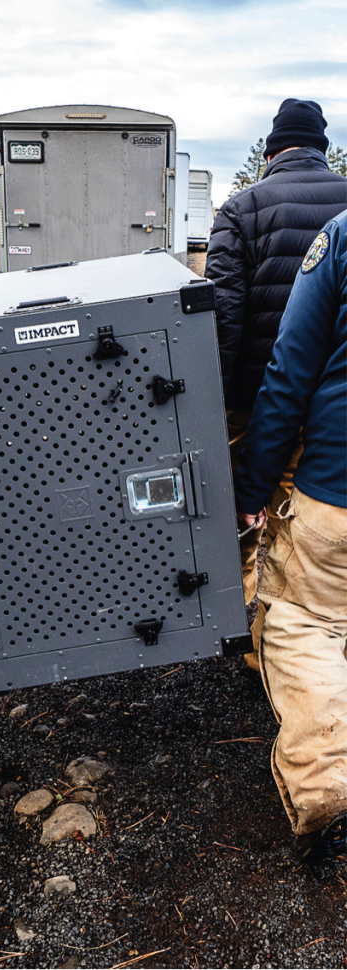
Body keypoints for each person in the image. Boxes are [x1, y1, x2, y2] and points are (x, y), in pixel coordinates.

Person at [205, 98, 347, 669]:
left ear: (269, 153)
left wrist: (214, 408)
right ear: (322, 149)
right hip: (326, 417)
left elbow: (222, 321)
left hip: (254, 402)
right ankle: (299, 642)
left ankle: (256, 647)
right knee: (303, 528)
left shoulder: (242, 209)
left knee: (249, 523)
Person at [235, 208, 347, 863]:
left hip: (335, 492)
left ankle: (328, 787)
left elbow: (289, 371)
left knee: (305, 620)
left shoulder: (341, 236)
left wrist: (253, 486)